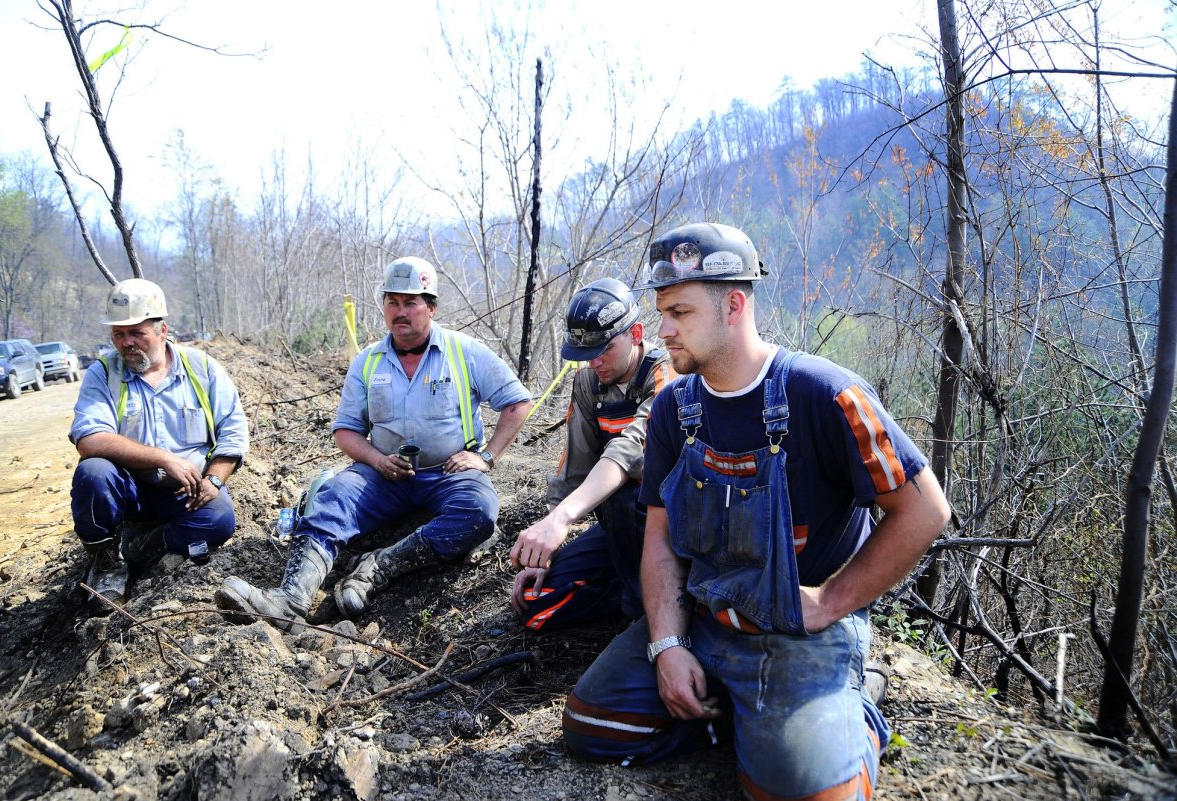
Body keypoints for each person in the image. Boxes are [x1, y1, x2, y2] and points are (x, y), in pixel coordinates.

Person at [562, 223, 951, 800]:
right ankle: (745, 722)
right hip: (705, 620)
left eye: (680, 312)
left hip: (798, 634)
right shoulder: (674, 408)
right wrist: (667, 646)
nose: (663, 330)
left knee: (806, 795)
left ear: (734, 305)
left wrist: (831, 603)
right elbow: (661, 541)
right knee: (592, 728)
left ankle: (851, 706)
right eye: (663, 310)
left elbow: (925, 512)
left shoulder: (825, 394)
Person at [216, 256, 533, 631]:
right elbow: (346, 431)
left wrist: (485, 457)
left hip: (450, 473)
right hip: (385, 476)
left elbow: (518, 402)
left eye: (411, 303)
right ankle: (289, 599)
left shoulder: (464, 353)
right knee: (332, 497)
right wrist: (377, 460)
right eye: (392, 302)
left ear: (430, 307)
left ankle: (380, 565)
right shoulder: (368, 362)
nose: (401, 312)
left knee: (479, 512)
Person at [70, 278, 249, 613]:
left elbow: (234, 433)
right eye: (119, 334)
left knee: (220, 518)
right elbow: (90, 438)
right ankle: (107, 566)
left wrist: (214, 480)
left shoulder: (201, 369)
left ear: (163, 330)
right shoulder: (104, 374)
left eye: (137, 333)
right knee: (93, 473)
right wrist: (163, 458)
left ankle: (137, 551)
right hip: (129, 491)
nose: (127, 343)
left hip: (184, 492)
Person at [509, 278, 675, 631]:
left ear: (636, 333)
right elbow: (575, 467)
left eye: (605, 348)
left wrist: (562, 520)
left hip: (672, 523)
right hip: (621, 530)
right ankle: (631, 590)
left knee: (624, 494)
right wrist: (545, 548)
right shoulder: (586, 383)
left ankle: (651, 610)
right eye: (586, 354)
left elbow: (631, 449)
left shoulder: (666, 374)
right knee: (537, 604)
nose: (596, 361)